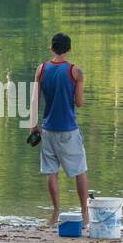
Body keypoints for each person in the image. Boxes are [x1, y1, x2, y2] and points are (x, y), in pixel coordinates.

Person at [29, 32, 89, 230]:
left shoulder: (41, 69)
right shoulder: (75, 72)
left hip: (47, 129)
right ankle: (84, 213)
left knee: (51, 171)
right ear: (69, 49)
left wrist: (33, 126)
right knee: (80, 170)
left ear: (51, 48)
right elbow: (79, 104)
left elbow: (35, 100)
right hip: (68, 130)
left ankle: (55, 212)